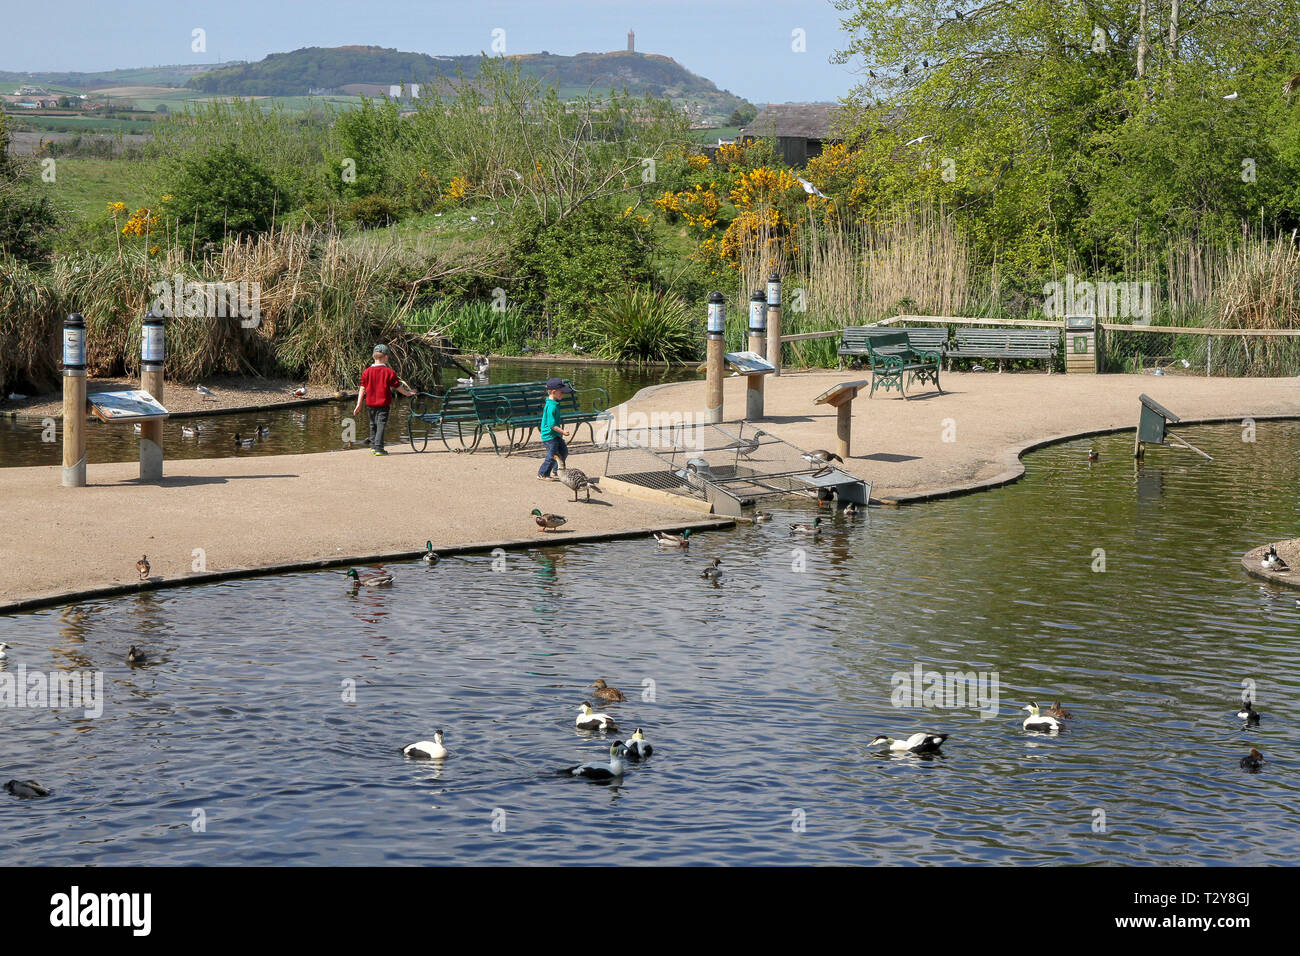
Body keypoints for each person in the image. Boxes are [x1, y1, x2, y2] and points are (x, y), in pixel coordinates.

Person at [354, 344, 415, 456]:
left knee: (373, 424)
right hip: (383, 403)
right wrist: (408, 393)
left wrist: (358, 404)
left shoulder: (366, 372)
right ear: (386, 357)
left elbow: (362, 388)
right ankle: (379, 448)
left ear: (373, 356)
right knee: (381, 424)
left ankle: (373, 446)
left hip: (370, 403)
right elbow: (398, 387)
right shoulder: (389, 372)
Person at [537, 377, 573, 480]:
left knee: (563, 452)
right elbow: (551, 425)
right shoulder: (551, 406)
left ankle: (557, 471)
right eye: (561, 392)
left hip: (555, 434)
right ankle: (542, 473)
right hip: (549, 435)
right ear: (553, 392)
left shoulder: (554, 403)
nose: (563, 394)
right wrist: (563, 431)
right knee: (552, 455)